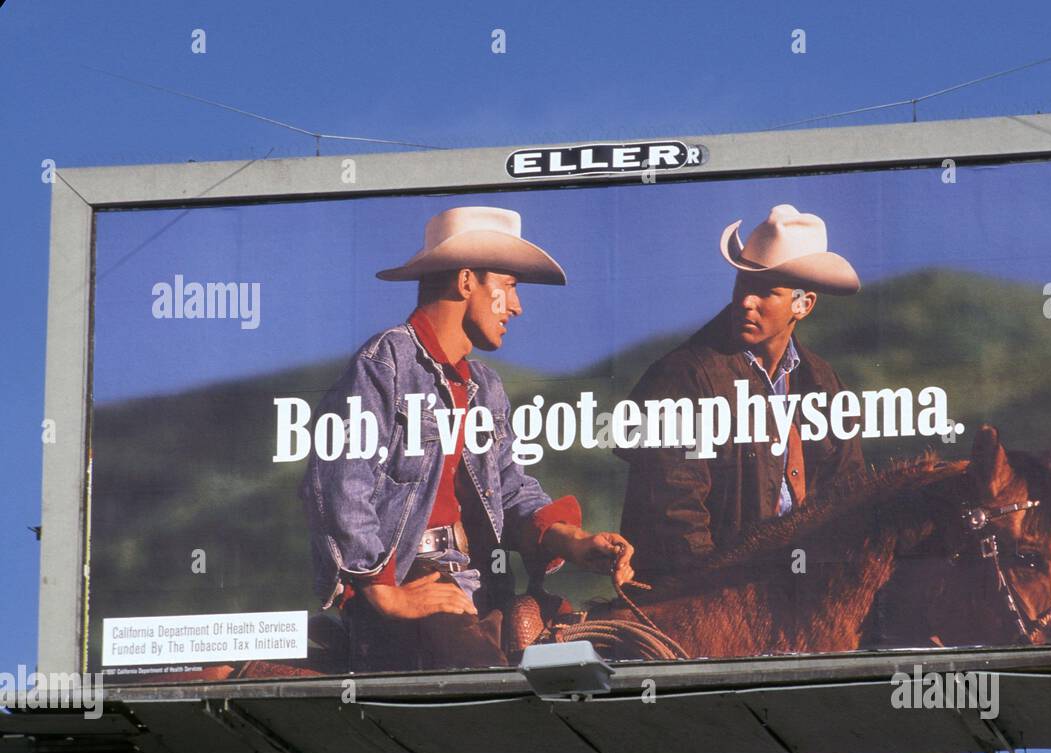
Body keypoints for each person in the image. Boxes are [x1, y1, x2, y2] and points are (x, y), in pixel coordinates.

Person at [300, 206, 634, 672]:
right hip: (414, 574)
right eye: (510, 286)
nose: (516, 307)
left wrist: (574, 541)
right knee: (491, 692)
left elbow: (510, 486)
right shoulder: (386, 362)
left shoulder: (485, 386)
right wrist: (381, 590)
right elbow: (340, 481)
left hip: (479, 577)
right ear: (465, 282)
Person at [615, 204, 868, 585]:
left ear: (803, 304)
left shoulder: (822, 382)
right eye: (743, 284)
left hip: (798, 590)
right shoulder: (686, 376)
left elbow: (849, 494)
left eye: (767, 291)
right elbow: (675, 517)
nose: (747, 301)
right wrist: (727, 596)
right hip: (708, 598)